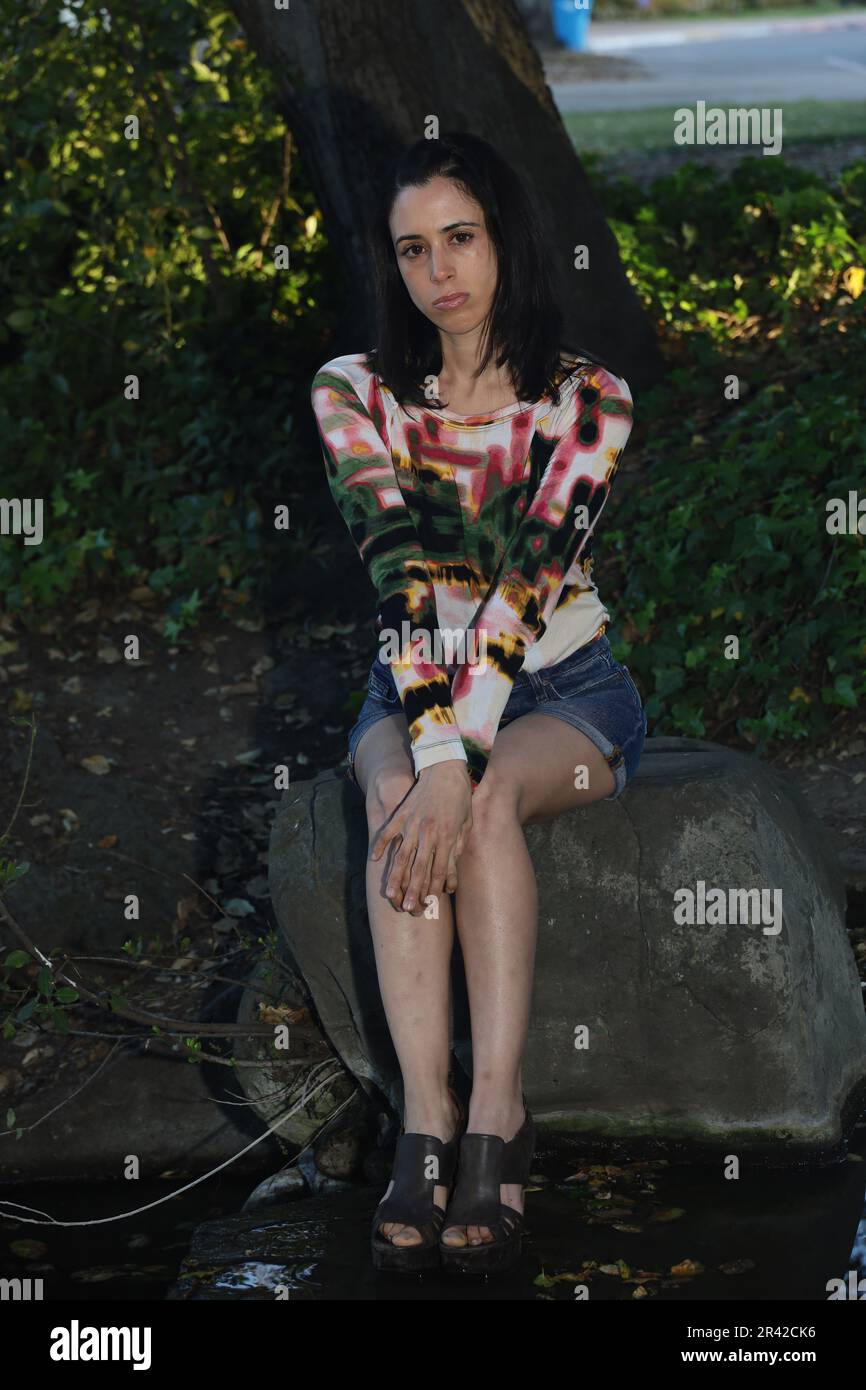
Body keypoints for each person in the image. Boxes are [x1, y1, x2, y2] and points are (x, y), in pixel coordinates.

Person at [310, 131, 646, 1274]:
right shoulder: (354, 393)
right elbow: (396, 569)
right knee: (399, 793)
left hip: (565, 685)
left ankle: (496, 1115)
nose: (438, 270)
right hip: (403, 686)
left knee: (487, 799)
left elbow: (526, 588)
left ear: (504, 238)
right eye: (412, 249)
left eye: (460, 237)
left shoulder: (588, 400)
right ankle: (422, 1120)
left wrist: (463, 758)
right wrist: (431, 747)